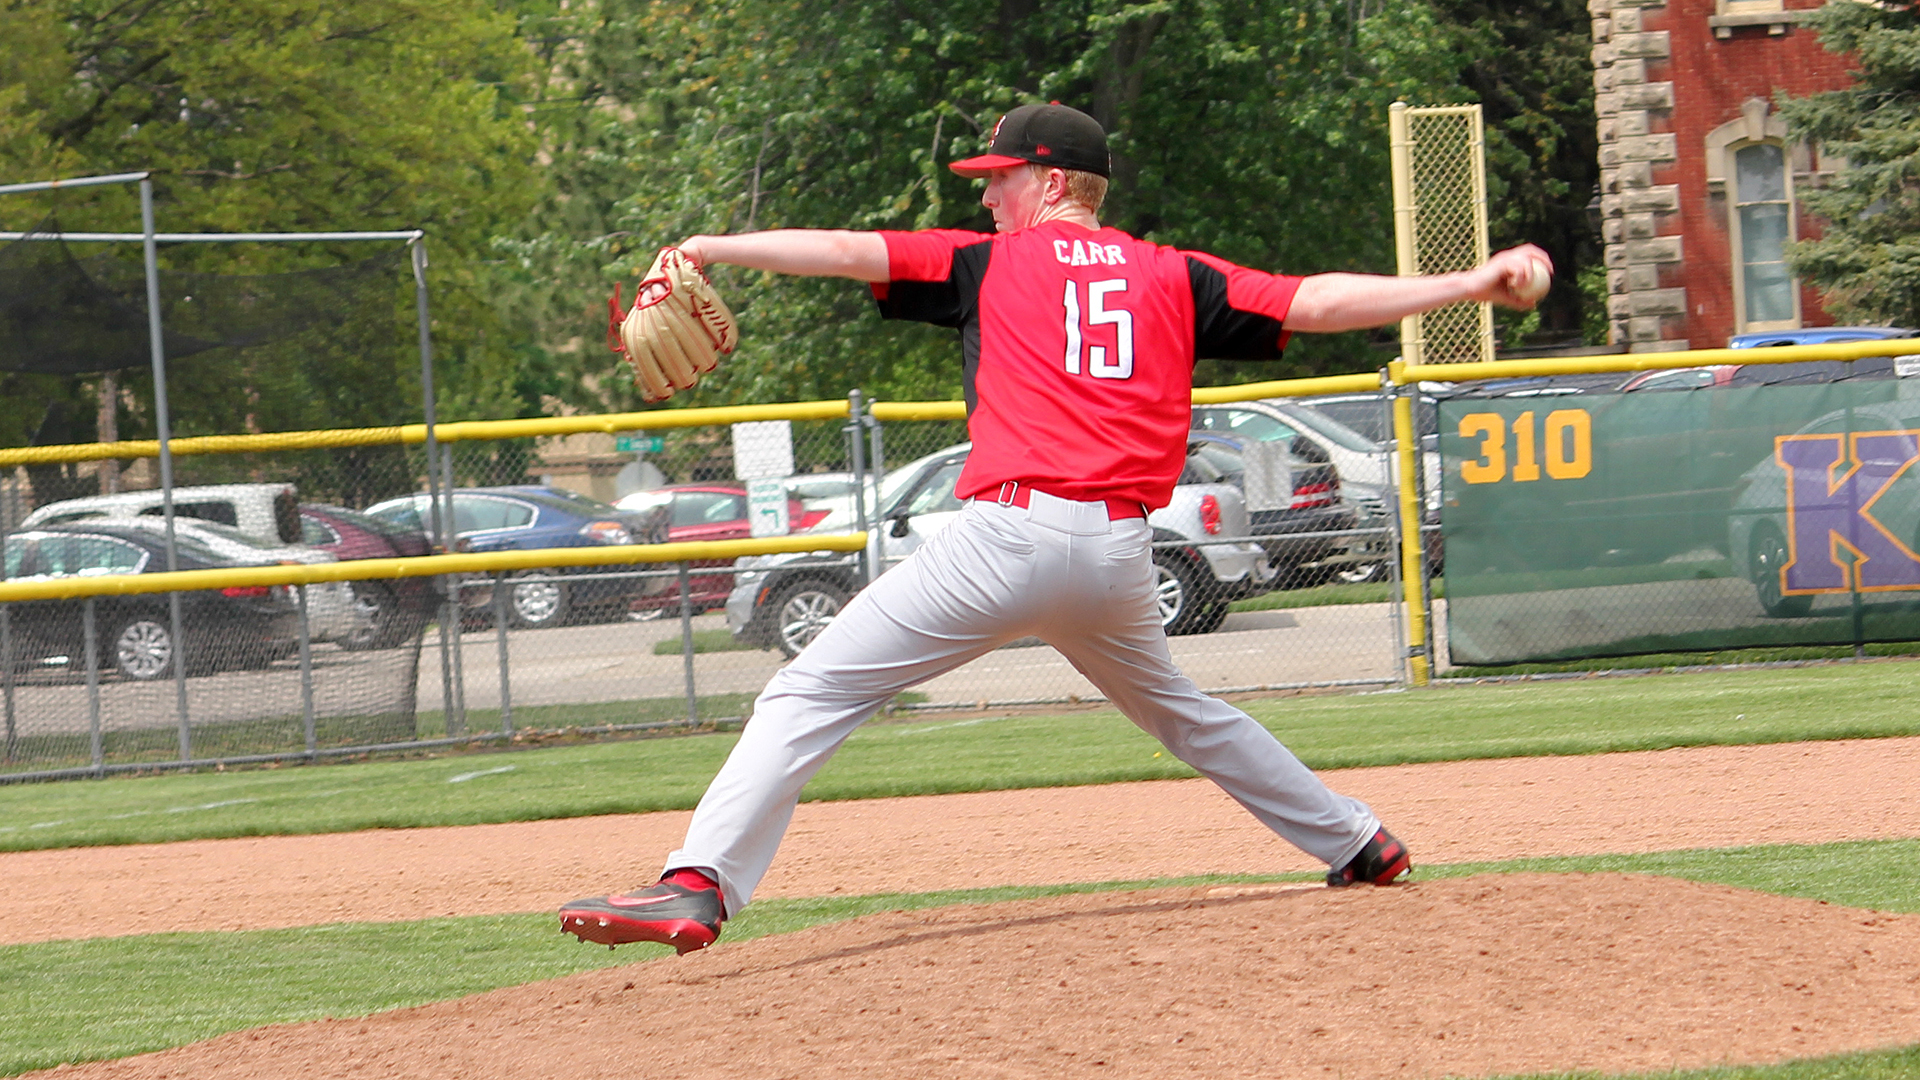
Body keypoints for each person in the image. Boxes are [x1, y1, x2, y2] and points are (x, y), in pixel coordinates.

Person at [560, 103, 1550, 954]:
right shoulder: (1176, 274)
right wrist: (1464, 285)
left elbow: (845, 249)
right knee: (1182, 713)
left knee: (810, 687)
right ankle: (1356, 842)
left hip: (1006, 543)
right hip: (1120, 555)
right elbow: (1317, 299)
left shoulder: (984, 264)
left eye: (1000, 178)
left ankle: (699, 883)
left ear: (1052, 180)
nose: (987, 196)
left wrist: (708, 248)